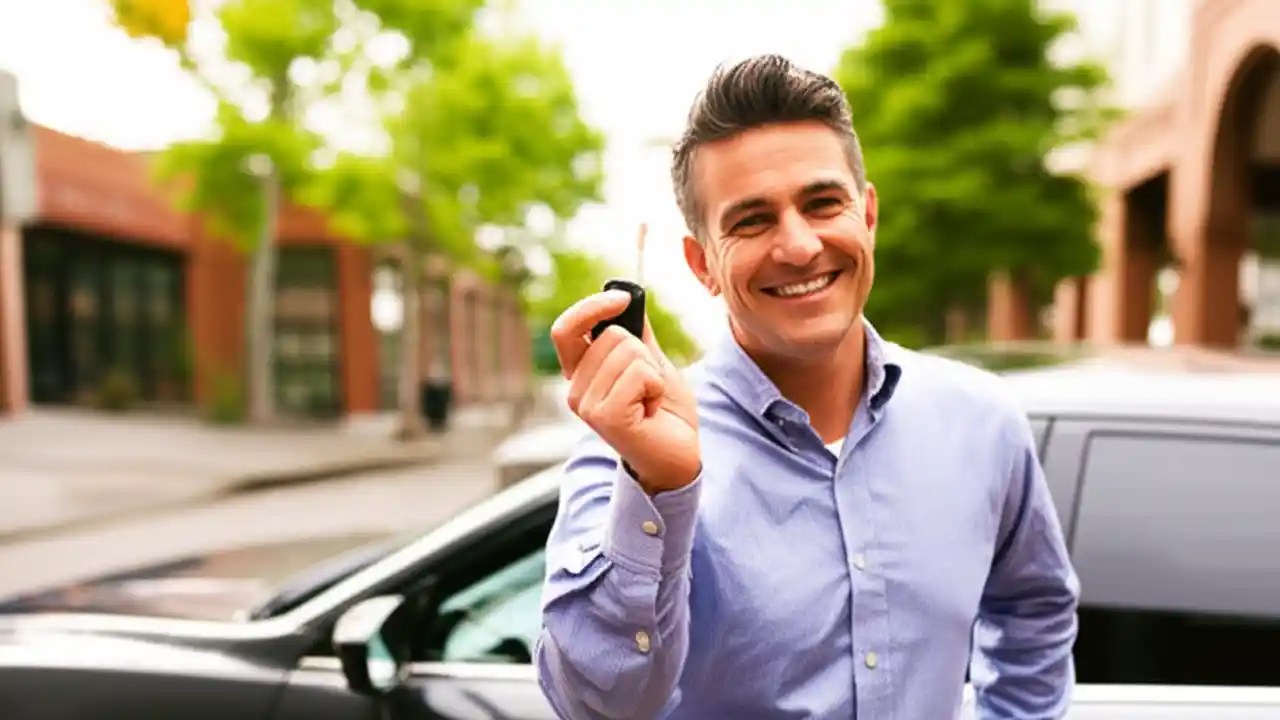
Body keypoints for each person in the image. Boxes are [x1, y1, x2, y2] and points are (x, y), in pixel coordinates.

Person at [534, 54, 1079, 720]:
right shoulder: (629, 454)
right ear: (702, 263)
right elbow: (595, 705)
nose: (798, 246)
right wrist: (661, 486)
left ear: (868, 215)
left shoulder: (983, 422)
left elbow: (1035, 610)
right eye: (752, 221)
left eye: (823, 203)